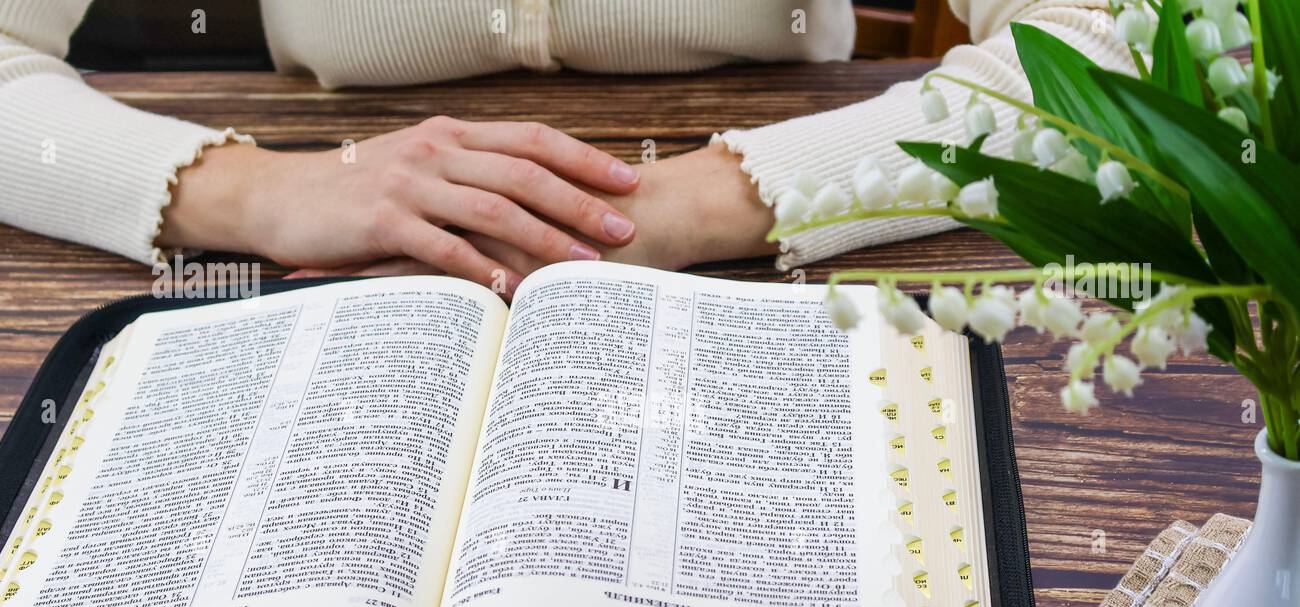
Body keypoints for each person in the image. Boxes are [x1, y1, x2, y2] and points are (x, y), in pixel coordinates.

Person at [0, 1, 1129, 293]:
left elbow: (1115, 48)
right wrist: (254, 194)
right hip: (313, 257)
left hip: (804, 248)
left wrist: (687, 206)